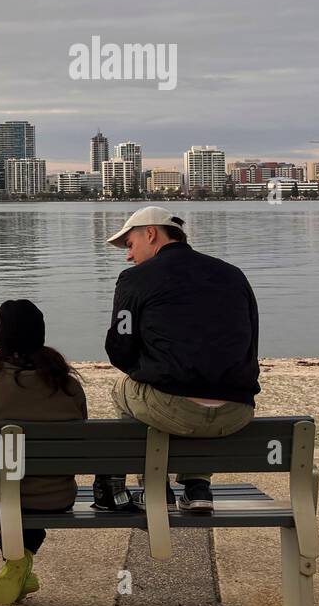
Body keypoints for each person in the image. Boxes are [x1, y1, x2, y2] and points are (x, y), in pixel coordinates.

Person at [96, 206, 259, 514]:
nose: (128, 256)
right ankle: (198, 486)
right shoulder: (233, 275)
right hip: (236, 412)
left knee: (124, 388)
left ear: (150, 233)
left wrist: (147, 368)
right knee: (196, 385)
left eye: (130, 245)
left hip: (174, 411)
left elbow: (119, 349)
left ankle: (155, 487)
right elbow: (249, 343)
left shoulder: (135, 279)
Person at [0, 300, 87, 606]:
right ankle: (22, 560)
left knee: (6, 494)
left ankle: (16, 561)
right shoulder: (67, 384)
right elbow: (81, 436)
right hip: (55, 497)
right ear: (40, 334)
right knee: (31, 496)